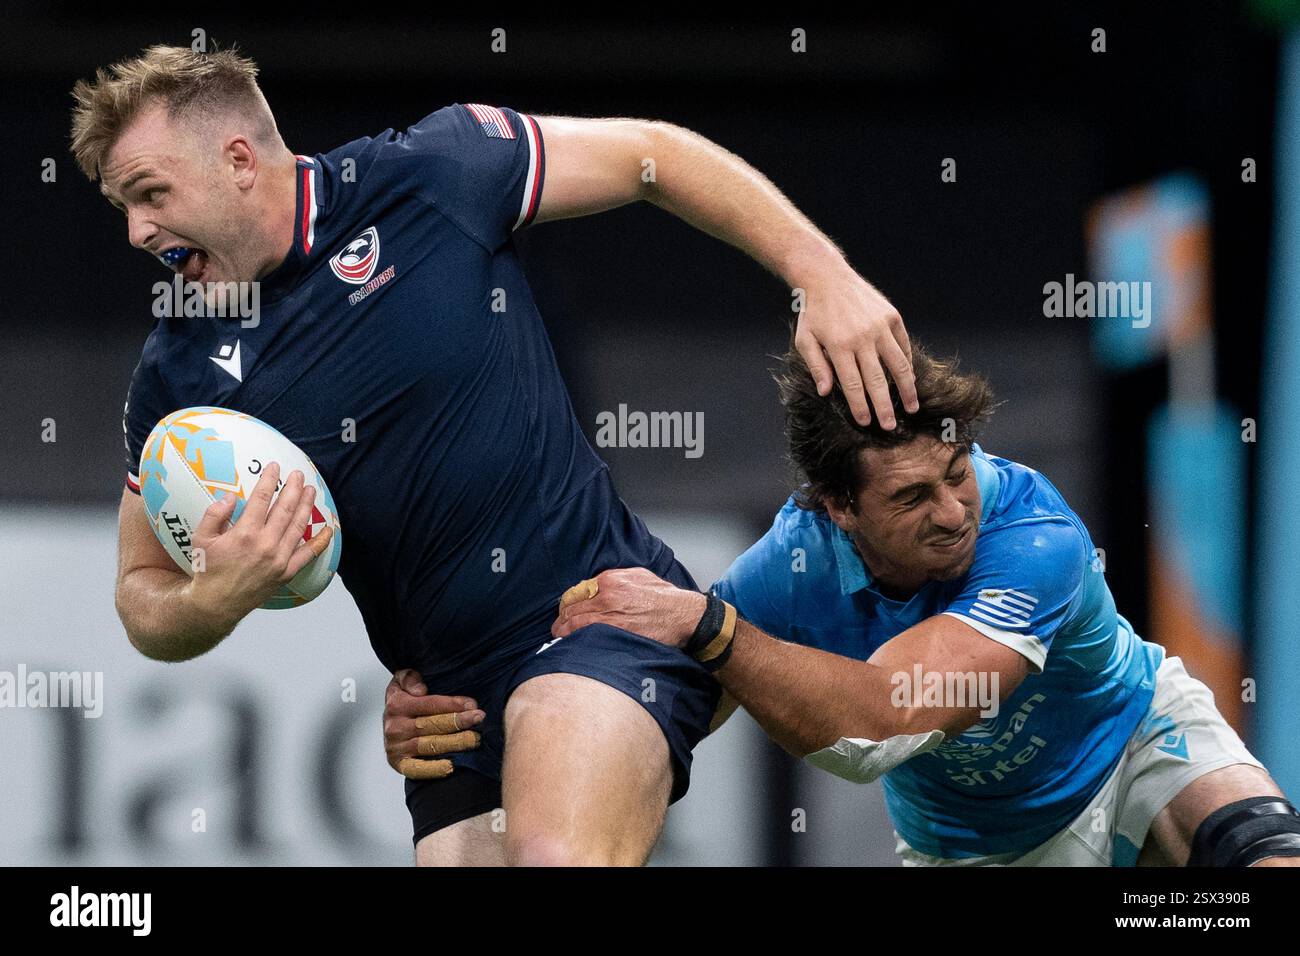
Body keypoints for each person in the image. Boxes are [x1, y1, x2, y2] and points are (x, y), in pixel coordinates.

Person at [75, 43, 913, 866]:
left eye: (149, 194)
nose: (136, 230)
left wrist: (822, 276)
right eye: (121, 206)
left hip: (597, 620)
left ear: (238, 160)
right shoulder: (176, 376)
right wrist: (214, 598)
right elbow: (143, 598)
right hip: (448, 713)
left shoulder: (434, 173)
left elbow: (652, 156)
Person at [392, 341, 1300, 866]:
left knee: (1261, 855)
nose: (953, 515)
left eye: (957, 475)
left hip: (1138, 748)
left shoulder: (1036, 537)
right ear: (836, 507)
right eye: (912, 499)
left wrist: (709, 629)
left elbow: (885, 723)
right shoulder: (785, 573)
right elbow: (639, 716)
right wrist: (458, 731)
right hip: (972, 851)